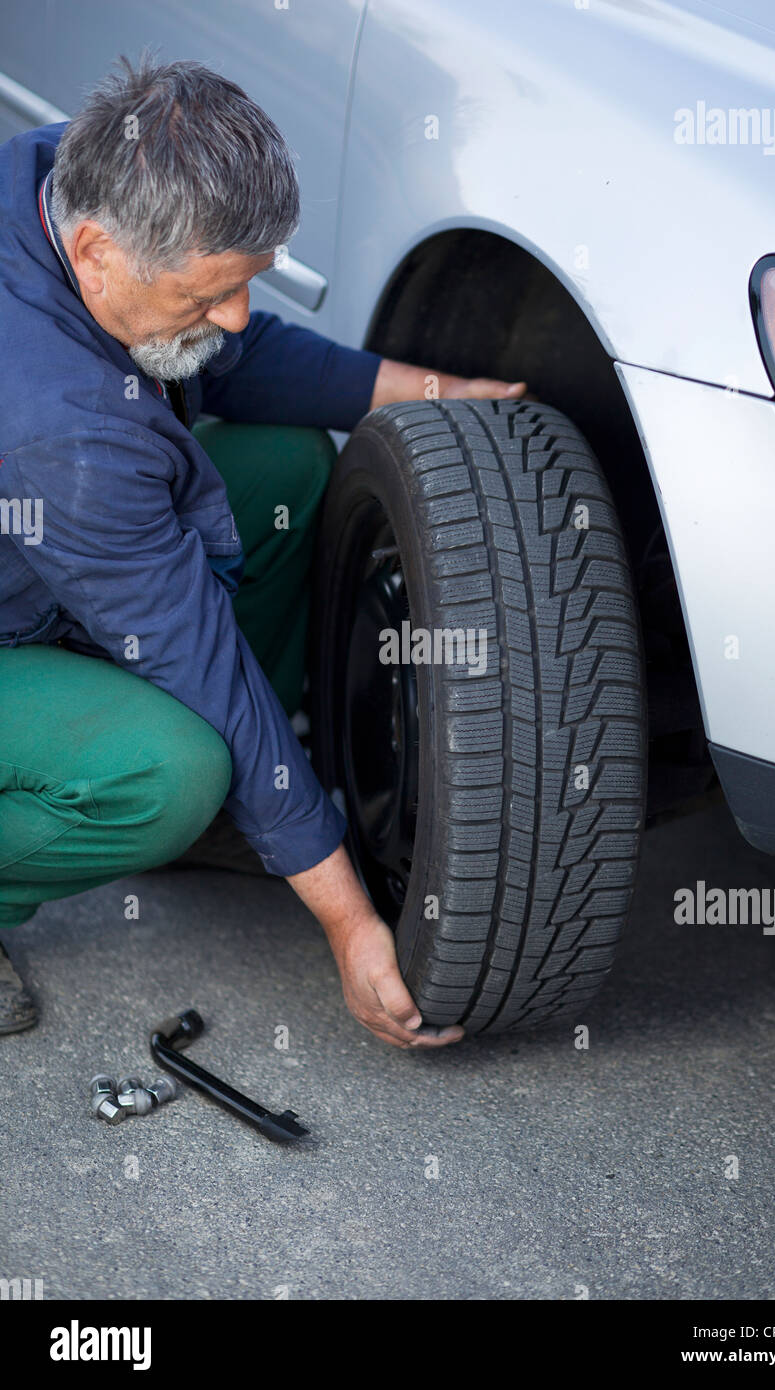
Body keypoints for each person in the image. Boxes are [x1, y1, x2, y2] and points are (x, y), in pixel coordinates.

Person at [0, 56, 528, 1045]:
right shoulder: (56, 424)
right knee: (173, 766)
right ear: (96, 253)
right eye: (207, 296)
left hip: (42, 548)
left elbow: (248, 358)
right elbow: (192, 651)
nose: (234, 316)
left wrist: (437, 392)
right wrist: (349, 920)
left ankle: (250, 814)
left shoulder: (56, 173)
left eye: (244, 283)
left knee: (283, 468)